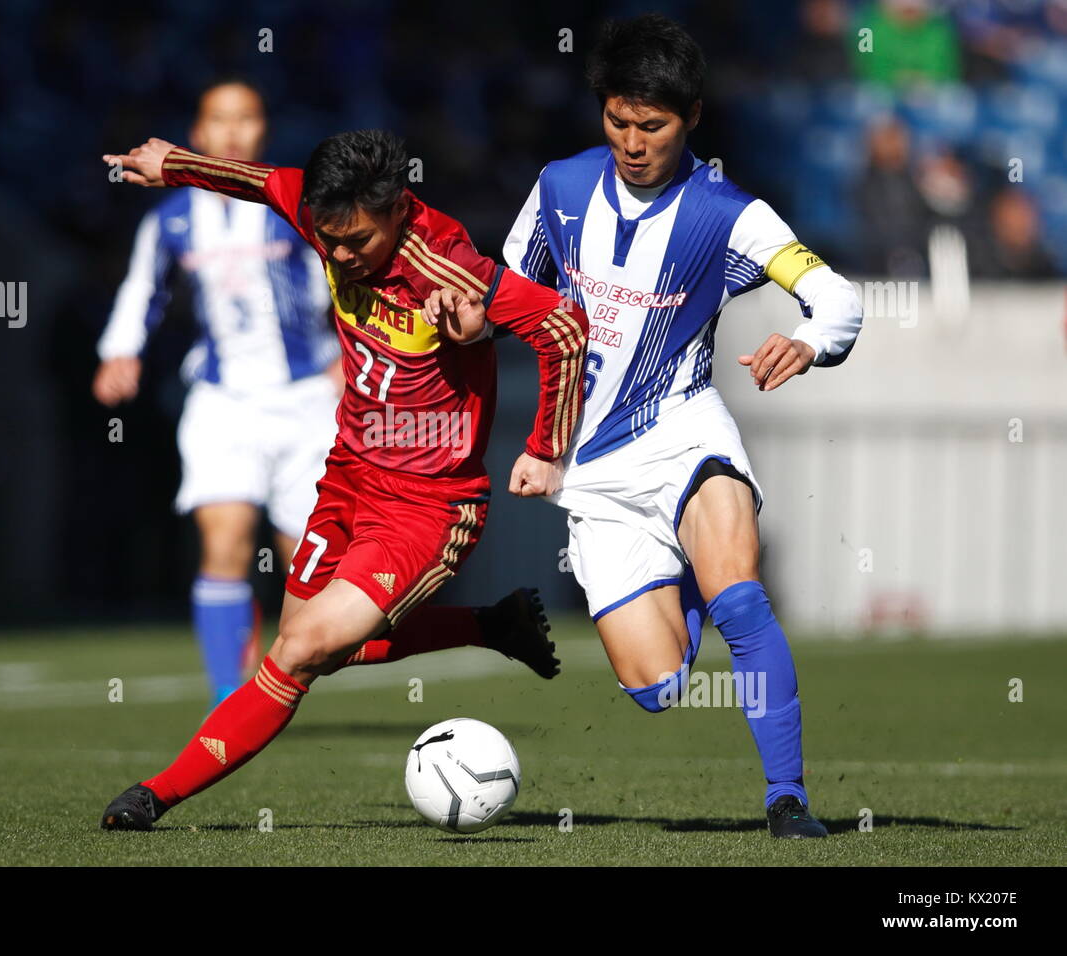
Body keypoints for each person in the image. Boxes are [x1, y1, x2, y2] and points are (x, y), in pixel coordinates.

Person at [96, 126, 588, 830]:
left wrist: (546, 448)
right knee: (309, 649)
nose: (342, 256)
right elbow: (259, 180)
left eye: (358, 240)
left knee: (300, 652)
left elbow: (563, 327)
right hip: (349, 476)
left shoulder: (446, 263)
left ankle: (153, 796)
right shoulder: (322, 213)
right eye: (330, 241)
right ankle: (491, 624)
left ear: (396, 209)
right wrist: (171, 164)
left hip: (429, 506)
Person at [496, 15, 863, 837]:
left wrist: (809, 341)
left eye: (652, 125)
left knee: (741, 598)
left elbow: (837, 297)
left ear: (691, 116)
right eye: (618, 121)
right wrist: (462, 319)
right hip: (595, 475)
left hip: (686, 435)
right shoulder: (558, 187)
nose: (632, 141)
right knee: (658, 687)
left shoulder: (729, 211)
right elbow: (503, 294)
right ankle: (688, 579)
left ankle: (787, 798)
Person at [93, 79, 340, 705]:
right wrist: (120, 352)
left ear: (264, 130)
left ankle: (289, 675)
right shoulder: (173, 217)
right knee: (224, 540)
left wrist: (351, 355)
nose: (232, 131)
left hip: (308, 397)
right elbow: (141, 289)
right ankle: (232, 695)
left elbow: (347, 273)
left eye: (246, 118)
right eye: (219, 120)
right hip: (222, 401)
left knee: (308, 565)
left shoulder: (295, 202)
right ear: (198, 134)